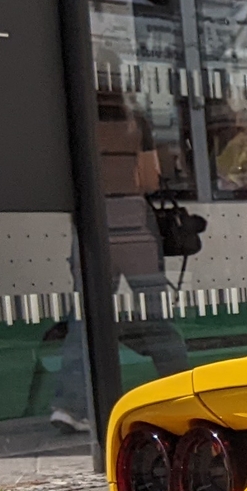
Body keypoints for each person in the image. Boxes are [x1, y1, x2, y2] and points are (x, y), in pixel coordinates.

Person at [53, 88, 193, 433]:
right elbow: (148, 178)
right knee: (154, 312)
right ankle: (181, 394)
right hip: (133, 220)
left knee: (85, 315)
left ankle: (71, 405)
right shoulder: (135, 123)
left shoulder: (77, 120)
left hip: (92, 220)